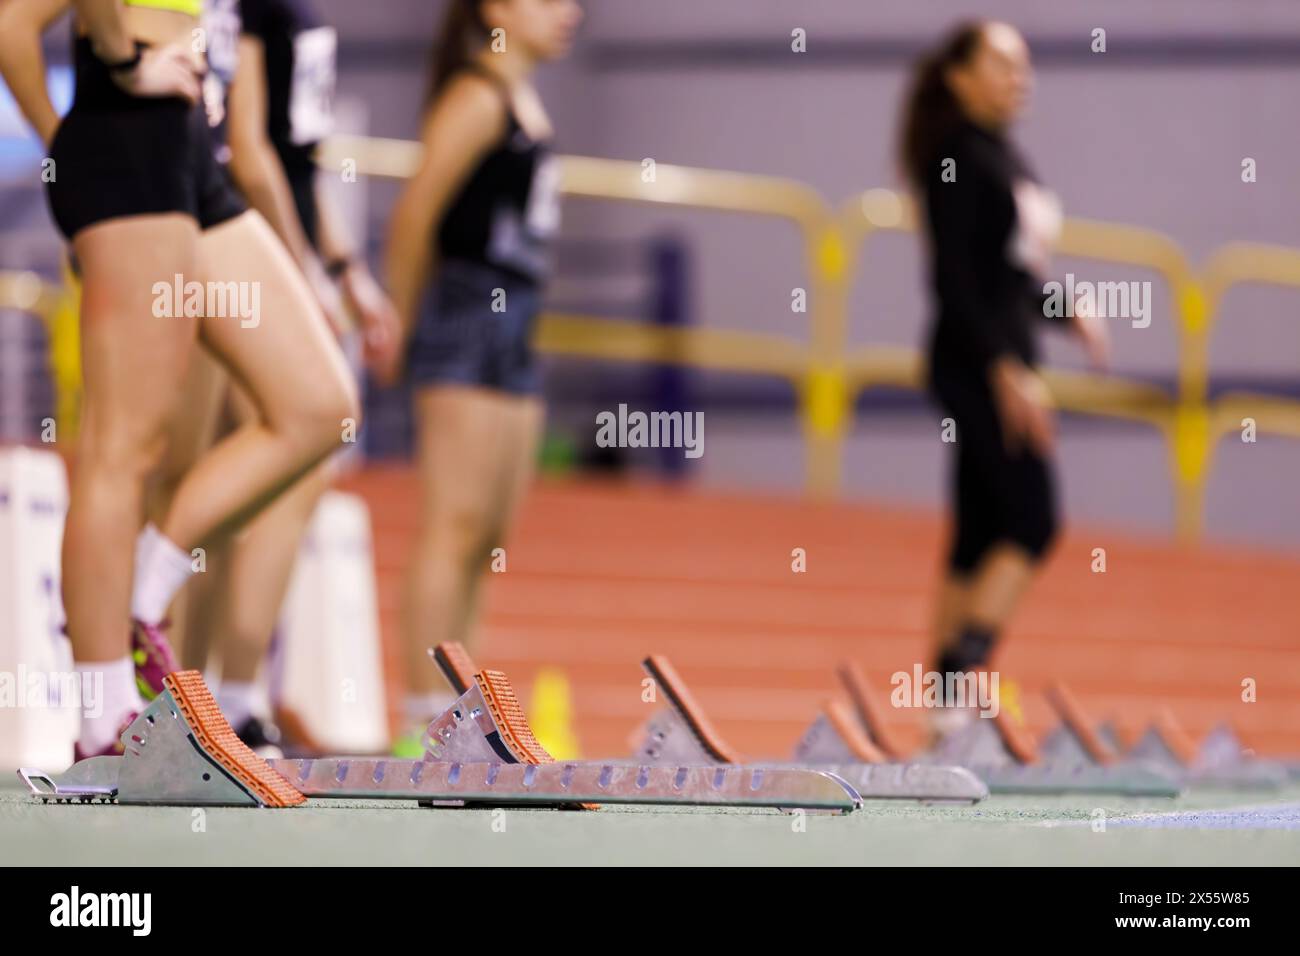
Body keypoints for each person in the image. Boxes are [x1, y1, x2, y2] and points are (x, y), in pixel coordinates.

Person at [0, 0, 358, 759]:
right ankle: (102, 717)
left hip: (190, 149)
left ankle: (144, 589)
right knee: (124, 446)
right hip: (127, 144)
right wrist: (90, 104)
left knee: (318, 407)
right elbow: (9, 25)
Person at [897, 21, 1109, 736]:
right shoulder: (956, 156)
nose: (1020, 77)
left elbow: (1012, 278)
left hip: (997, 360)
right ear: (959, 75)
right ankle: (957, 688)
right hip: (974, 365)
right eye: (1002, 64)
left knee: (979, 532)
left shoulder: (1002, 154)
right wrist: (1004, 369)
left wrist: (1066, 308)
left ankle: (937, 710)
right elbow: (955, 279)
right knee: (1033, 518)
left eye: (1024, 66)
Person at [383, 0, 581, 753]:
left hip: (516, 330)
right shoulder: (476, 95)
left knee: (489, 532)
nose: (571, 13)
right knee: (452, 524)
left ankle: (462, 710)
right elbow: (415, 215)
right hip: (466, 319)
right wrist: (399, 324)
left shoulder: (523, 96)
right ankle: (416, 718)